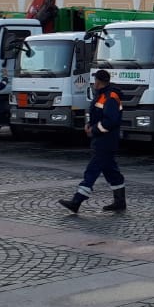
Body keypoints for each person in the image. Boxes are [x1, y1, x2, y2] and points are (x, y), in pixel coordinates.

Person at [59, 69, 127, 213]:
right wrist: (90, 124)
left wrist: (94, 130)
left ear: (99, 82)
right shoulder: (103, 95)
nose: (93, 83)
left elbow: (110, 121)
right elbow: (98, 115)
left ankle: (76, 201)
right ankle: (120, 202)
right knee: (111, 172)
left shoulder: (110, 97)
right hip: (103, 140)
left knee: (92, 171)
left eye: (95, 80)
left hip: (106, 142)